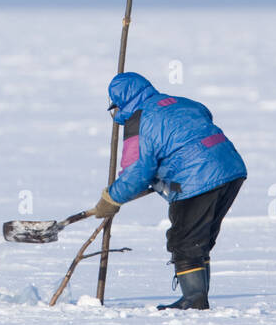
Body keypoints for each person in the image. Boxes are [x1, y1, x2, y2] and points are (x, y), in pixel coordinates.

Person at [92, 72, 247, 310]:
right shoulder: (183, 102)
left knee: (185, 239)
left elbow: (137, 172)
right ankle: (196, 297)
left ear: (119, 104)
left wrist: (112, 198)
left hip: (196, 178)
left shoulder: (138, 120)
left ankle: (194, 300)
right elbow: (200, 119)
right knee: (199, 239)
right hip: (230, 168)